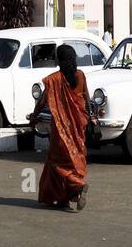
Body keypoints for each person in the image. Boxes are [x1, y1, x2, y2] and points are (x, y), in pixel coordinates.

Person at [31, 44, 93, 212]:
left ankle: (78, 185)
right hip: (79, 127)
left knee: (57, 162)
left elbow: (42, 101)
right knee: (74, 160)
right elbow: (87, 99)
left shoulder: (54, 79)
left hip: (61, 129)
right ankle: (64, 198)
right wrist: (93, 119)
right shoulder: (80, 76)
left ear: (58, 60)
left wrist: (34, 117)